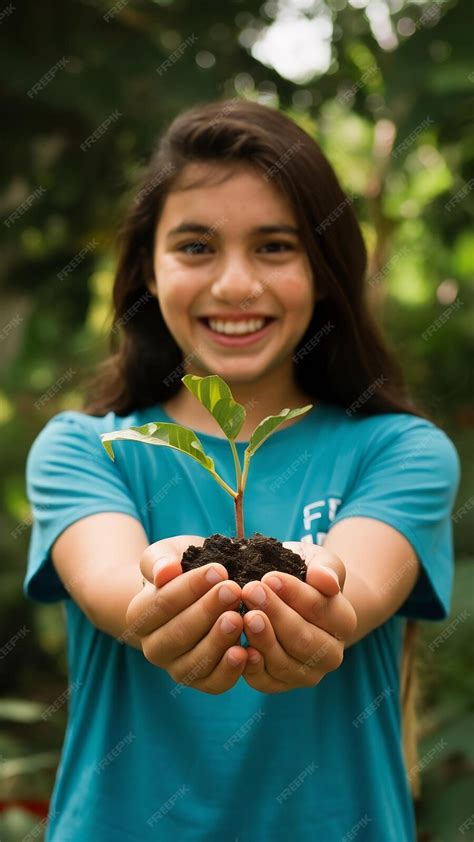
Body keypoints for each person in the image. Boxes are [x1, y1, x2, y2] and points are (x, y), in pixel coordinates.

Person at [24, 98, 460, 842]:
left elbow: (349, 591)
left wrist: (322, 603)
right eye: (195, 247)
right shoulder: (86, 450)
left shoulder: (400, 453)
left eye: (275, 247)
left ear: (324, 271)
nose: (234, 285)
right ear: (148, 273)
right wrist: (157, 590)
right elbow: (117, 587)